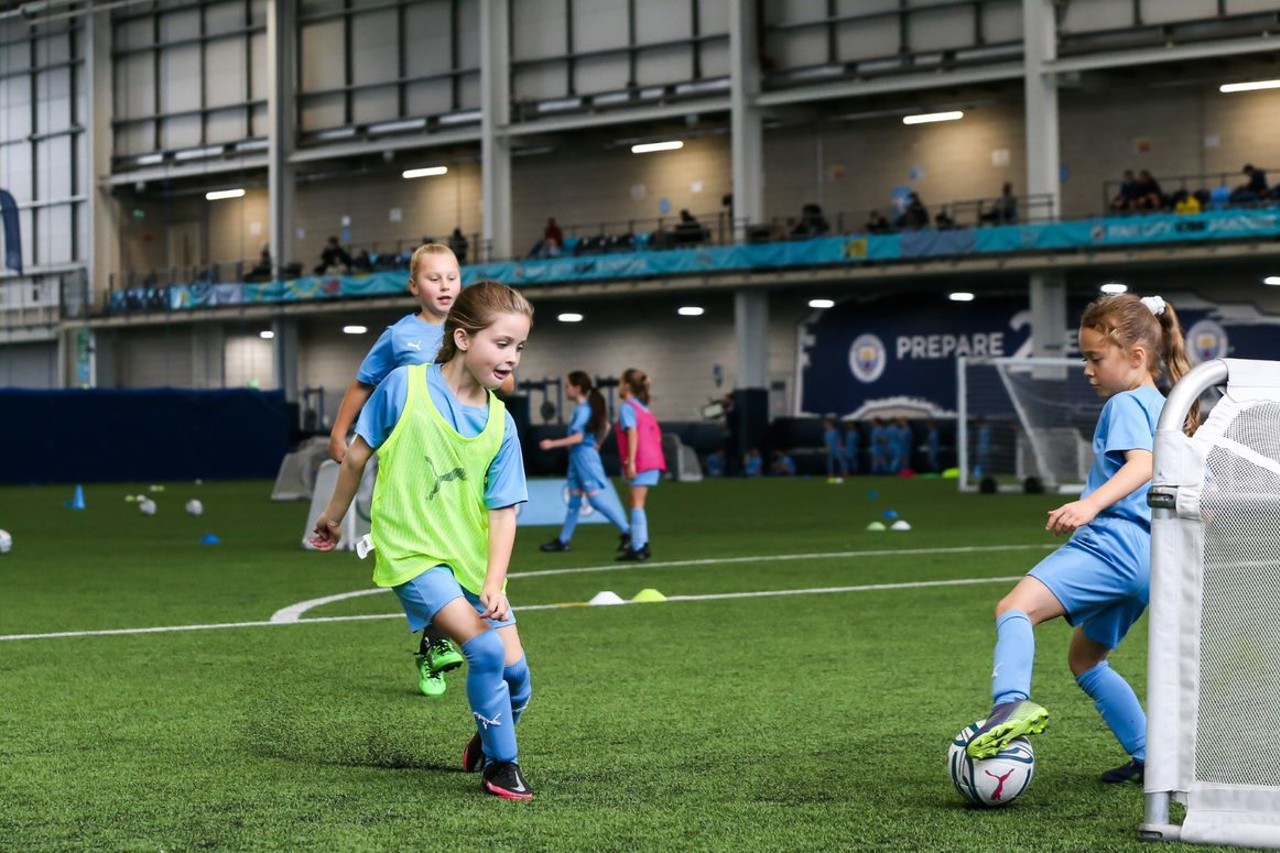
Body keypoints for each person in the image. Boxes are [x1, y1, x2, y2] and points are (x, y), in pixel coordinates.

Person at [310, 280, 537, 800]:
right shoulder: (404, 386)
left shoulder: (502, 425)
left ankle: (489, 734)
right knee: (483, 651)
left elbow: (504, 513)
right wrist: (334, 516)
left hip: (469, 560)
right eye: (501, 344)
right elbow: (359, 456)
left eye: (519, 348)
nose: (512, 359)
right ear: (462, 338)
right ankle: (503, 766)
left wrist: (495, 582)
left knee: (518, 677)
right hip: (410, 552)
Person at [964, 293, 1197, 787]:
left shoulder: (1128, 402)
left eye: (1095, 358)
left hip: (1113, 546)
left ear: (1136, 357)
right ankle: (1152, 757)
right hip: (1150, 561)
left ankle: (1010, 703)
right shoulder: (1168, 405)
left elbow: (1144, 464)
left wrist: (1089, 505)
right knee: (1087, 659)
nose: (1088, 370)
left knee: (1014, 609)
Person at [326, 243, 464, 699]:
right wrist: (340, 432)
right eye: (433, 278)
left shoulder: (472, 328)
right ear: (414, 286)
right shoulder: (398, 336)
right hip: (407, 460)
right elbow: (362, 384)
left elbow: (504, 380)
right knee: (417, 548)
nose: (444, 286)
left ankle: (432, 641)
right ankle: (437, 637)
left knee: (458, 552)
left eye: (452, 277)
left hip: (461, 460)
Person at [537, 371, 631, 554]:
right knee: (574, 501)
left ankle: (629, 531)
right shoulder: (586, 409)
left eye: (568, 386)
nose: (566, 390)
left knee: (595, 500)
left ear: (577, 388)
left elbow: (579, 437)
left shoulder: (584, 410)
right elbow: (606, 426)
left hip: (584, 458)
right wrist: (597, 444)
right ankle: (564, 540)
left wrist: (552, 444)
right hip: (578, 457)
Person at [616, 368, 666, 561]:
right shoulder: (644, 407)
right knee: (635, 502)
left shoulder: (628, 407)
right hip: (653, 459)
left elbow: (632, 433)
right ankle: (640, 543)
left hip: (642, 460)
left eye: (621, 383)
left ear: (627, 386)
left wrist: (631, 463)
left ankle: (639, 547)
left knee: (637, 503)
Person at [822, 417, 846, 482]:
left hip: (837, 448)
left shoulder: (836, 431)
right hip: (831, 449)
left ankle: (845, 472)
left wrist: (841, 447)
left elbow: (839, 440)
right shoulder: (826, 433)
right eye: (825, 424)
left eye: (826, 424)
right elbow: (827, 442)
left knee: (841, 460)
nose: (825, 426)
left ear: (830, 424)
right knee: (830, 461)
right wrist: (827, 448)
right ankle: (831, 474)